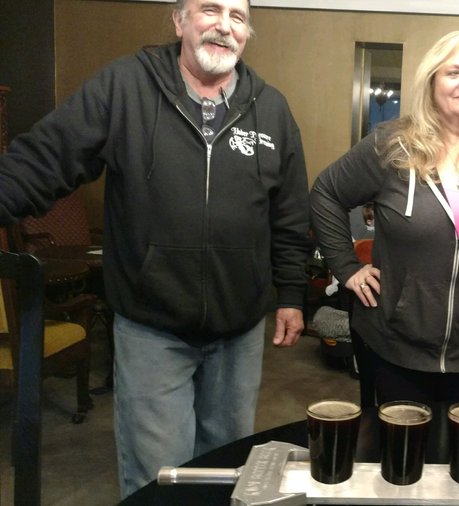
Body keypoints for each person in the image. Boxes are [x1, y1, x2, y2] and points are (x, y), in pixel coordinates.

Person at [0, 0, 311, 496]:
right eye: (210, 9)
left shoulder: (271, 108)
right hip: (152, 328)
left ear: (247, 32)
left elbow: (290, 215)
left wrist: (291, 293)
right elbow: (43, 159)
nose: (224, 26)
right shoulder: (125, 86)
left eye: (237, 16)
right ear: (179, 20)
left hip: (239, 331)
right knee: (157, 478)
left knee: (228, 471)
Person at [311, 30, 459, 408]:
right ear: (432, 83)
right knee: (397, 444)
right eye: (453, 72)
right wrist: (347, 268)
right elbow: (326, 193)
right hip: (394, 347)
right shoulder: (391, 145)